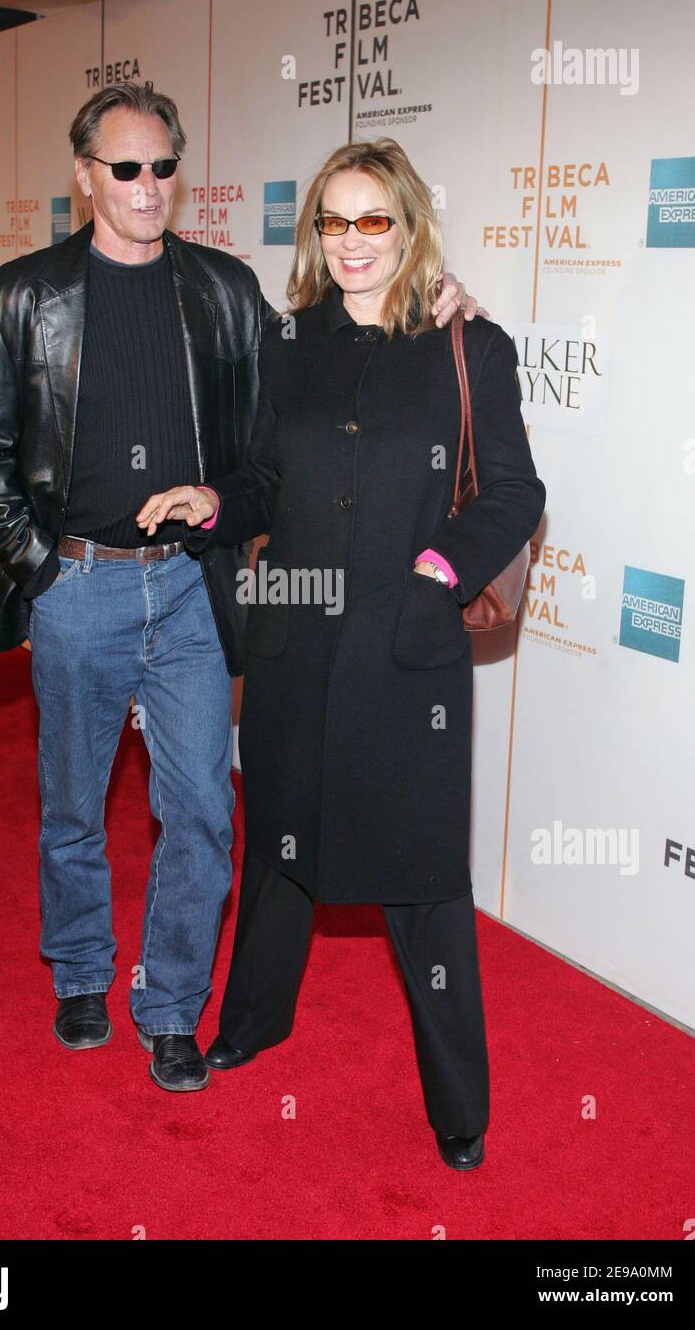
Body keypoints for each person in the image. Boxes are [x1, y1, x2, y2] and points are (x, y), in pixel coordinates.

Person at [0, 80, 481, 1095]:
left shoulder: (225, 291)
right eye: (127, 168)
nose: (149, 187)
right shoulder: (26, 293)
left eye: (163, 167)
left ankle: (170, 1008)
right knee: (72, 805)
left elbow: (328, 357)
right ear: (84, 176)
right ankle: (79, 972)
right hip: (79, 588)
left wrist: (443, 309)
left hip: (191, 591)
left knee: (201, 810)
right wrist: (37, 565)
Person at [137, 136, 546, 1165]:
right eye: (333, 220)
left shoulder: (469, 347)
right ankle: (249, 1023)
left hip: (408, 661)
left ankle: (459, 1108)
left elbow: (512, 492)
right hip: (294, 644)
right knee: (279, 850)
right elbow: (269, 481)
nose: (353, 241)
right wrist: (216, 499)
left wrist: (436, 577)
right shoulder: (289, 342)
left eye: (374, 220)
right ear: (315, 233)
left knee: (420, 884)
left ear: (408, 226)